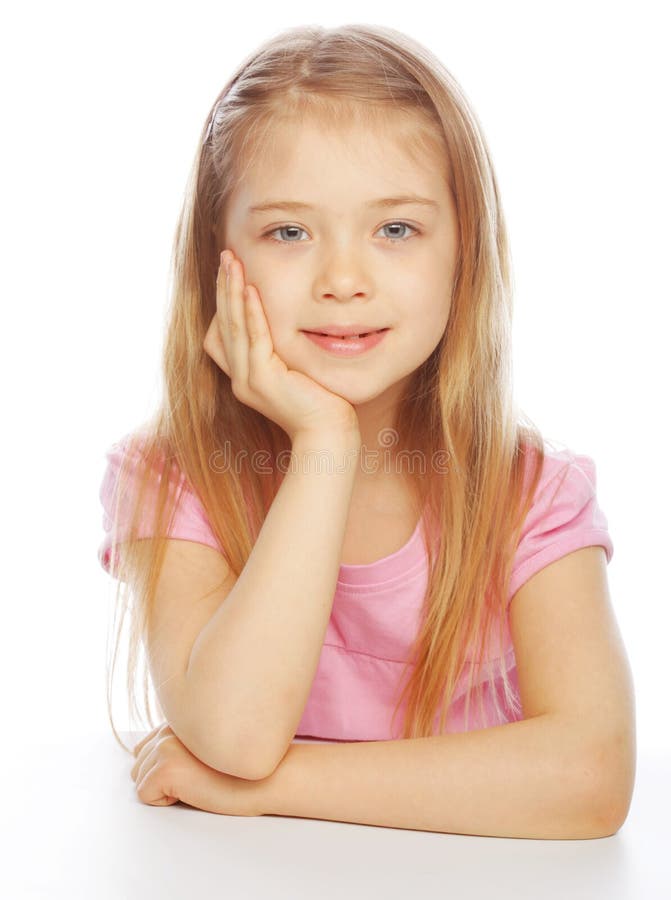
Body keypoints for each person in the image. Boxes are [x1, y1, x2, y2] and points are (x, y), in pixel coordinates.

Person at [98, 23, 634, 835]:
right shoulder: (175, 478)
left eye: (394, 230)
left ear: (464, 256)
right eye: (289, 232)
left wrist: (269, 787)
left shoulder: (529, 496)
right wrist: (324, 442)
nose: (343, 280)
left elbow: (590, 780)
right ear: (218, 258)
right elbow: (235, 733)